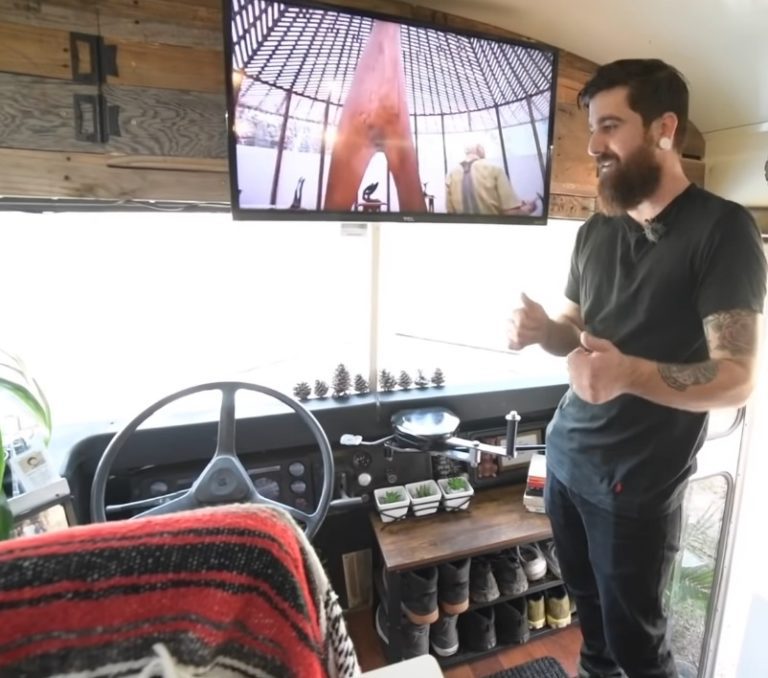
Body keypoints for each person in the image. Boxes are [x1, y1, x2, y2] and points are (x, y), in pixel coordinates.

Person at [507, 59, 766, 678]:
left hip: (635, 489)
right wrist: (548, 333)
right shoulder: (597, 230)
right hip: (566, 463)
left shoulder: (722, 230)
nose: (595, 144)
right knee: (589, 626)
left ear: (664, 128)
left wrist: (628, 376)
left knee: (638, 648)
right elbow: (580, 333)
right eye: (593, 128)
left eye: (611, 125)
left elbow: (738, 378)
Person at [445, 143, 537, 216]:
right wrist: (528, 209)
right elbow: (510, 214)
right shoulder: (495, 170)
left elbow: (450, 212)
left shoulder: (451, 175)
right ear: (479, 150)